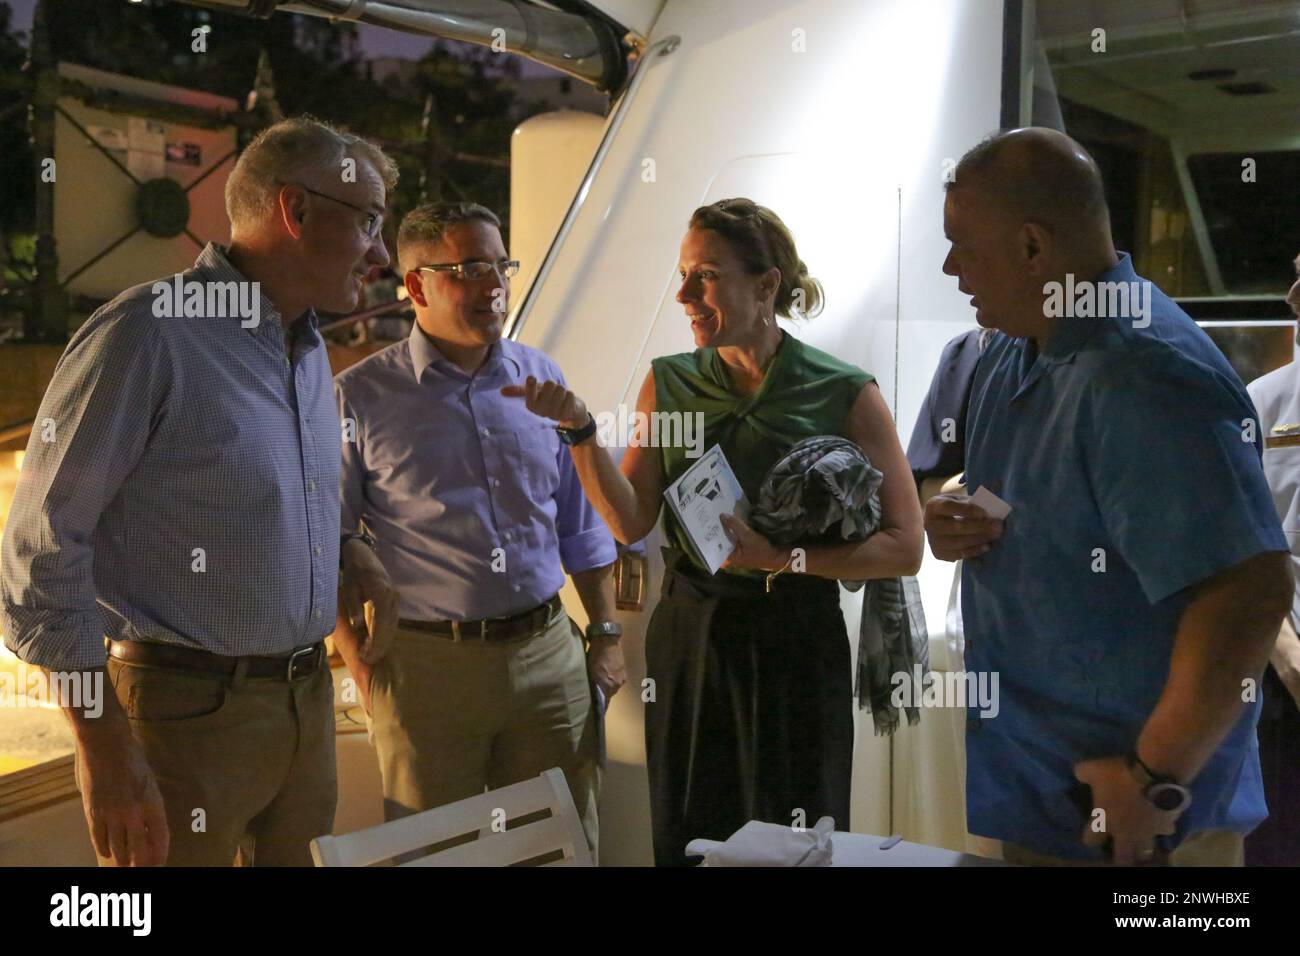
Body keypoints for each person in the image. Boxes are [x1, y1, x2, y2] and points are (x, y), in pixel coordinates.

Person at [0, 116, 402, 866]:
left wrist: (354, 552)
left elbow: (285, 490)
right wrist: (102, 744)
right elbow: (39, 553)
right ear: (298, 209)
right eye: (370, 222)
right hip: (180, 717)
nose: (382, 251)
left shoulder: (309, 348)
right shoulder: (147, 334)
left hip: (306, 701)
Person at [504, 198, 924, 865]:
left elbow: (905, 548)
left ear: (766, 286)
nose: (684, 295)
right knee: (693, 829)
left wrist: (781, 557)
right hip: (696, 635)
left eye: (705, 275)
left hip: (797, 639)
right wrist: (581, 432)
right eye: (682, 275)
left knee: (798, 840)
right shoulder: (669, 382)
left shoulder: (842, 390)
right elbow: (630, 518)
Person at [926, 127, 1291, 866]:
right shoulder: (1011, 348)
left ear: (1034, 249)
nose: (949, 267)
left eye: (962, 245)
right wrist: (951, 522)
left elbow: (1249, 589)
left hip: (1145, 823)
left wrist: (1153, 779)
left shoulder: (1144, 374)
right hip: (1042, 796)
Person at [333, 201, 620, 859]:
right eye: (468, 269)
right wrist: (361, 667)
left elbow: (579, 523)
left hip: (549, 657)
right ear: (416, 286)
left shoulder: (540, 377)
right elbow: (328, 539)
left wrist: (603, 634)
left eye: (500, 265)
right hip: (428, 669)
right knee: (440, 854)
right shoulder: (360, 398)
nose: (493, 286)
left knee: (563, 847)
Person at [1242, 252, 1300, 867]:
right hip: (1280, 678)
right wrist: (1288, 656)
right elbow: (1245, 550)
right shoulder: (1261, 402)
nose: (1292, 295)